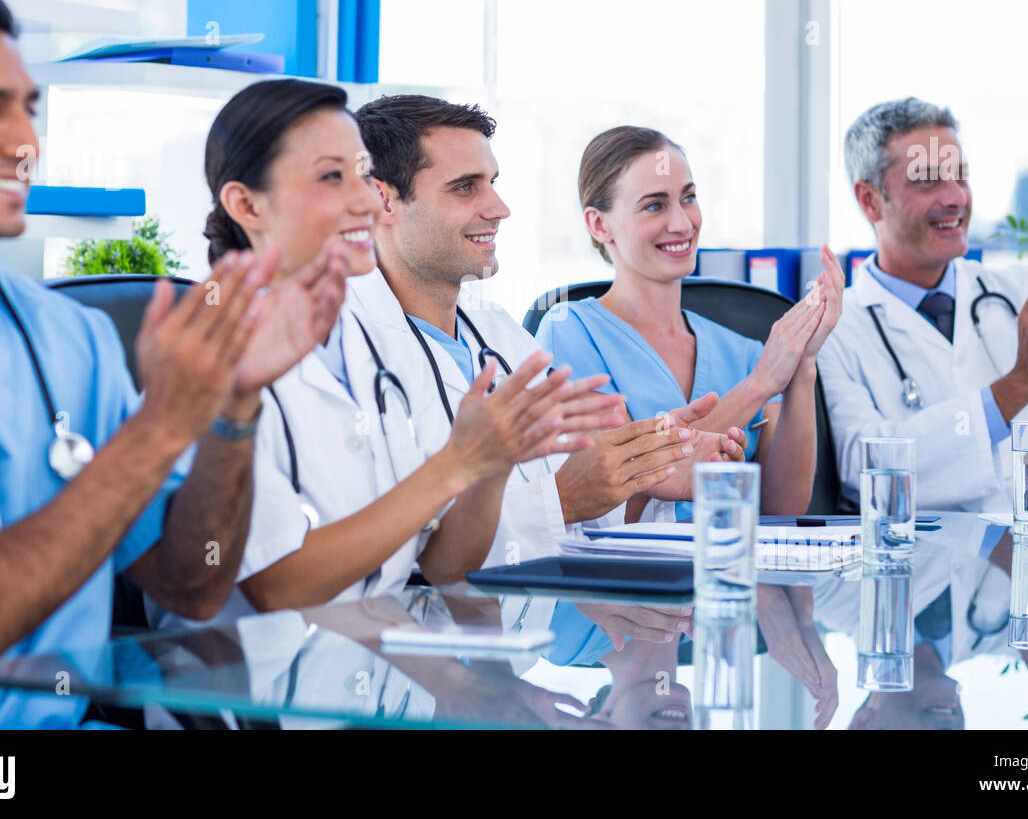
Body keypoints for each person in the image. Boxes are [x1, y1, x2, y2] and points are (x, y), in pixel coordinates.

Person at [0, 0, 344, 728]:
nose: (24, 142)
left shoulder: (71, 336)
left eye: (29, 109)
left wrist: (232, 410)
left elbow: (193, 584)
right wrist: (158, 428)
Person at [162, 79, 621, 620]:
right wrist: (458, 465)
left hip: (387, 677)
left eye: (360, 176)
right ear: (247, 204)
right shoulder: (211, 354)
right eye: (333, 178)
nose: (365, 200)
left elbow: (445, 563)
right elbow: (280, 587)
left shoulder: (368, 341)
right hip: (261, 685)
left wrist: (491, 463)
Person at [351, 96, 746, 563]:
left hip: (530, 625)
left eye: (492, 183)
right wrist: (561, 501)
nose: (499, 208)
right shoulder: (342, 347)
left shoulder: (501, 338)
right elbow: (391, 550)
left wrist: (643, 474)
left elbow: (579, 513)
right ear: (382, 200)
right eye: (465, 188)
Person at [816, 97, 1028, 512]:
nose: (956, 198)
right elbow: (867, 469)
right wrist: (1019, 385)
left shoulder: (1020, 293)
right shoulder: (833, 327)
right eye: (928, 180)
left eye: (961, 177)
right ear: (870, 200)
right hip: (930, 565)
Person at [536, 125, 844, 517]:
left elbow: (783, 510)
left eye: (688, 198)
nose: (683, 223)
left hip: (727, 570)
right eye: (654, 205)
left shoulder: (744, 350)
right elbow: (615, 503)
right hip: (628, 574)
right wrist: (758, 386)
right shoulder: (570, 331)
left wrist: (802, 363)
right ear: (599, 225)